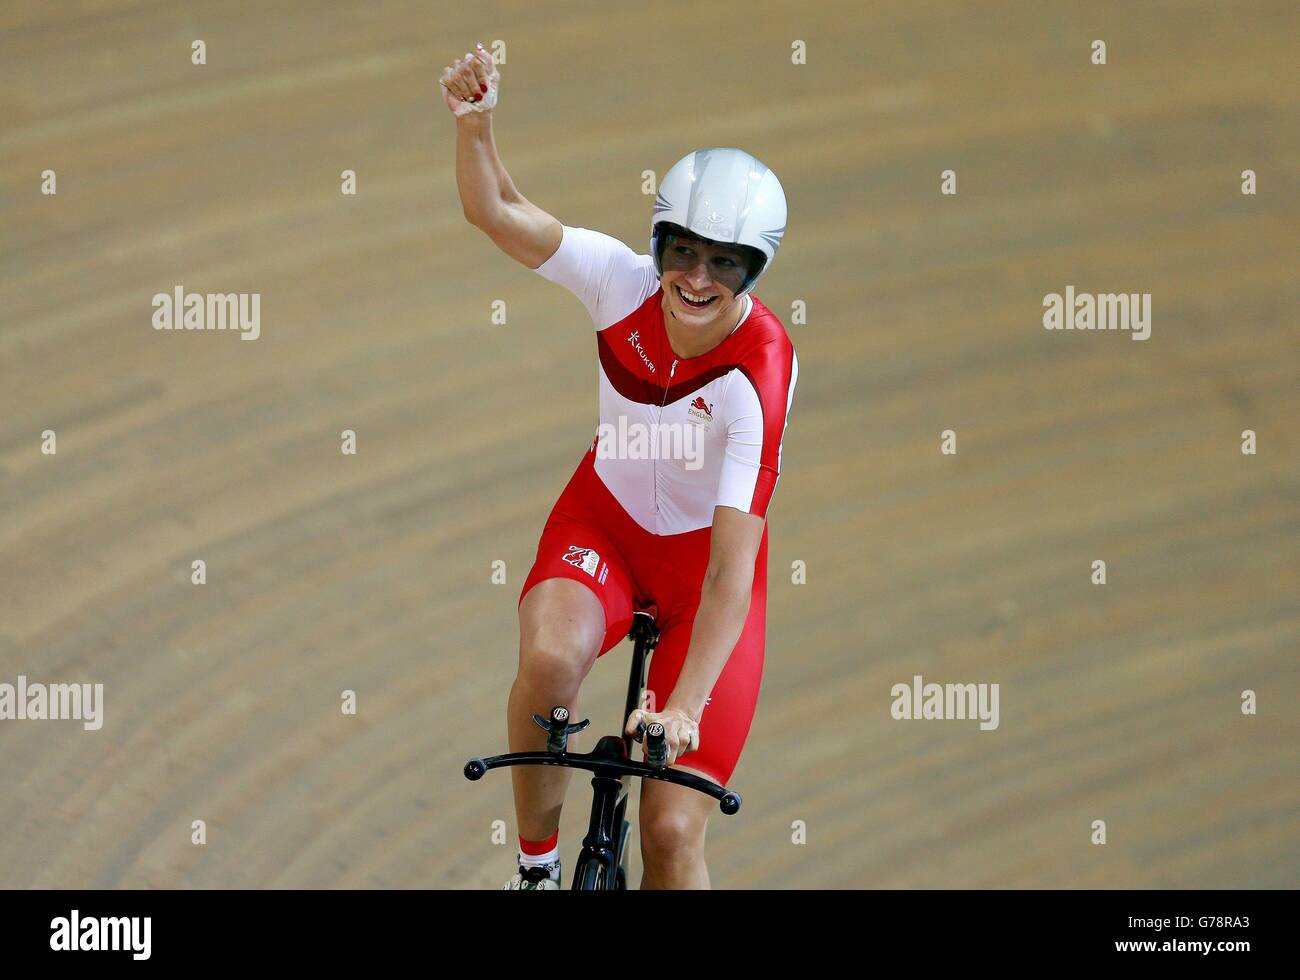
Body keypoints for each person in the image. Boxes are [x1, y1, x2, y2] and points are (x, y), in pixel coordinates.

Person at [441, 44, 797, 890]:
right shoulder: (617, 282)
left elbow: (729, 577)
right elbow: (497, 211)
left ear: (754, 274)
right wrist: (477, 126)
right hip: (601, 523)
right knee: (553, 663)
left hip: (699, 578)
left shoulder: (760, 371)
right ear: (657, 243)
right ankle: (534, 870)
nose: (696, 278)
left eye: (726, 263)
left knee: (671, 831)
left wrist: (683, 710)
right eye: (681, 251)